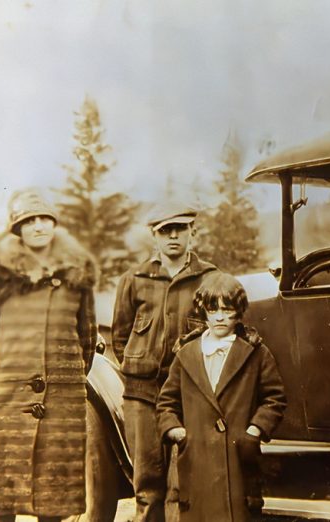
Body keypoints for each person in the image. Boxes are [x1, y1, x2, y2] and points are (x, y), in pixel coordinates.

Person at [0, 188, 97, 521]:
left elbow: (87, 335)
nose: (39, 226)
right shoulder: (0, 272)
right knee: (4, 490)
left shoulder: (78, 272)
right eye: (29, 221)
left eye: (45, 218)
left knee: (54, 492)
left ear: (55, 223)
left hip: (60, 397)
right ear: (18, 229)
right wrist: (8, 372)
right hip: (8, 397)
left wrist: (62, 374)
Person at [112, 201, 218, 522]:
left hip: (191, 394)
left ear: (192, 233)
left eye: (180, 229)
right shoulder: (135, 279)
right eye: (164, 231)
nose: (173, 237)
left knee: (191, 481)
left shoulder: (209, 278)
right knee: (147, 484)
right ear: (154, 237)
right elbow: (121, 336)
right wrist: (141, 367)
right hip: (141, 396)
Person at [156, 272, 287, 521]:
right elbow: (166, 403)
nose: (219, 317)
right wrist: (176, 431)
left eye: (227, 310)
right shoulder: (187, 354)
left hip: (238, 459)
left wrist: (254, 431)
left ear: (239, 313)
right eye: (212, 309)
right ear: (203, 311)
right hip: (197, 458)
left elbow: (274, 398)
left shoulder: (256, 353)